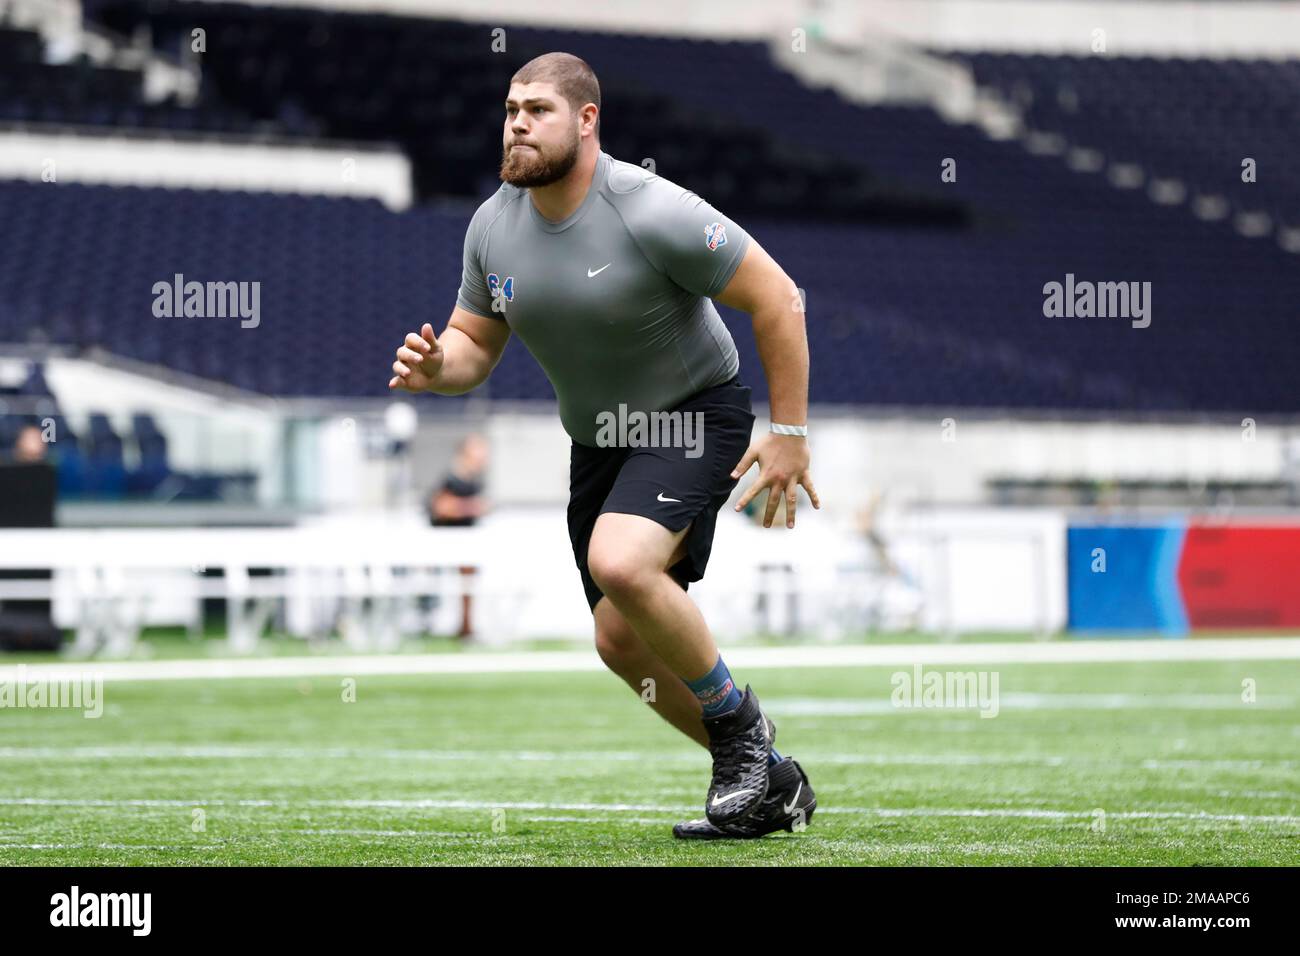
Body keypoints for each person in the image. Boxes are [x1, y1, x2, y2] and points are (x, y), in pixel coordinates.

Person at [389, 53, 820, 839]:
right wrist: (434, 369)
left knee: (619, 563)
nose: (517, 122)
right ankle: (770, 782)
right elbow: (472, 350)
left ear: (587, 121)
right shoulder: (492, 226)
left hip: (692, 413)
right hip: (599, 444)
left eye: (538, 110)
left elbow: (779, 298)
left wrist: (788, 434)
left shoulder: (649, 209)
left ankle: (742, 740)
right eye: (510, 108)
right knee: (619, 640)